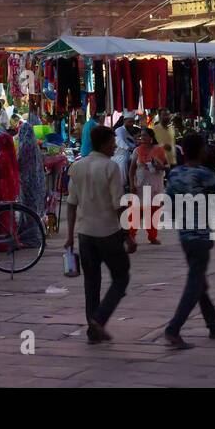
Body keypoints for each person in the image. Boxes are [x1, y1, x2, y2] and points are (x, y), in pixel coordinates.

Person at [162, 132, 215, 349]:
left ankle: (213, 324)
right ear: (200, 150)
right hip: (200, 236)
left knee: (199, 281)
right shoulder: (205, 175)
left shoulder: (174, 174)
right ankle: (173, 328)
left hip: (185, 235)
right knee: (195, 283)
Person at [64, 124, 131, 343]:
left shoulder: (77, 167)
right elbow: (118, 204)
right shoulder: (110, 167)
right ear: (103, 144)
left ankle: (94, 327)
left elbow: (71, 204)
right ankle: (99, 320)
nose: (114, 148)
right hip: (108, 232)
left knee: (91, 283)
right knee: (121, 278)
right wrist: (128, 234)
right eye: (112, 144)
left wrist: (69, 235)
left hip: (85, 234)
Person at [128, 128, 168, 245]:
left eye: (145, 136)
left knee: (154, 212)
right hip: (140, 185)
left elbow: (167, 167)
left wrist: (159, 167)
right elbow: (131, 170)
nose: (143, 138)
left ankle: (152, 236)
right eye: (141, 136)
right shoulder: (137, 151)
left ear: (151, 138)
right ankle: (131, 236)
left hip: (155, 185)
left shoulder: (159, 150)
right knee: (135, 212)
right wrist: (131, 184)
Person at [15, 121, 47, 247]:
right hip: (36, 182)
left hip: (27, 182)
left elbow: (19, 163)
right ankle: (31, 236)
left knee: (27, 210)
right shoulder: (35, 146)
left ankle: (31, 238)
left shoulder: (23, 146)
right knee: (32, 210)